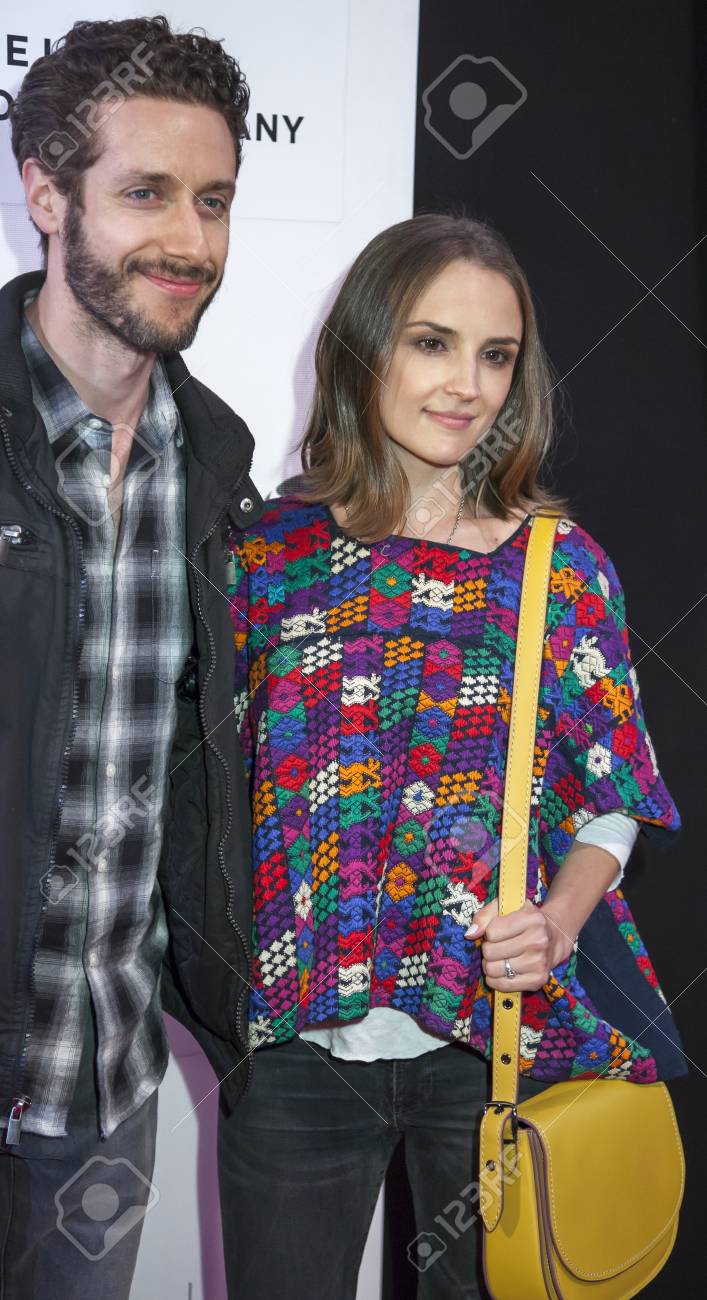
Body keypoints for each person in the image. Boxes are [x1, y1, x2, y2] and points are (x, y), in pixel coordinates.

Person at [219, 213, 686, 1299]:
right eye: (430, 343)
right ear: (365, 348)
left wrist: (557, 922)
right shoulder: (266, 555)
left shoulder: (556, 565)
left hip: (489, 1045)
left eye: (494, 354)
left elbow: (611, 794)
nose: (464, 383)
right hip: (294, 1046)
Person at [0, 16, 261, 1296]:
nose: (192, 243)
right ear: (44, 191)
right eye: (147, 193)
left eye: (213, 200)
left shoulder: (219, 467)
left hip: (103, 1096)